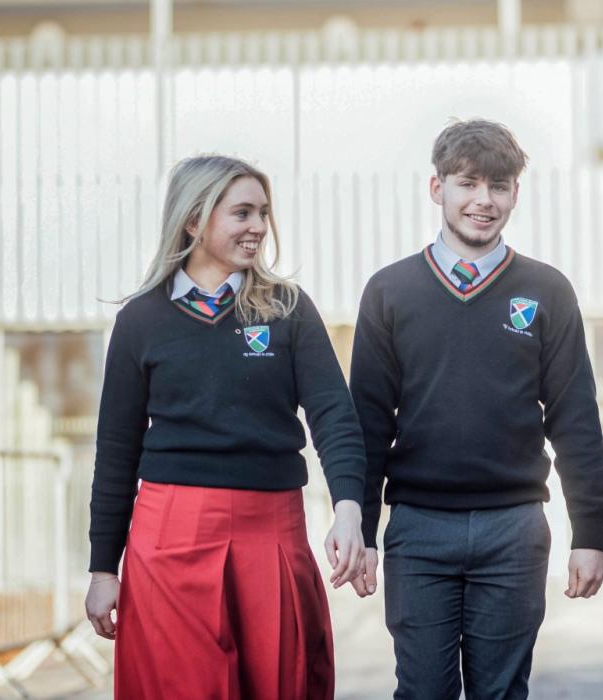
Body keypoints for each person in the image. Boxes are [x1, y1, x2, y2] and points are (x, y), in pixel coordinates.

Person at [83, 155, 367, 699]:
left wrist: (348, 508)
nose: (258, 226)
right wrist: (102, 569)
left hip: (272, 534)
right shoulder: (141, 321)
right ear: (193, 220)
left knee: (278, 683)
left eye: (263, 213)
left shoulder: (288, 308)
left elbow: (334, 413)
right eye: (242, 213)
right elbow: (116, 450)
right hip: (169, 538)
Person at [348, 119, 603, 699]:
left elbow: (575, 419)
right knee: (422, 692)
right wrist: (363, 528)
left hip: (513, 529)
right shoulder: (390, 292)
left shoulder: (547, 291)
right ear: (436, 187)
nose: (483, 201)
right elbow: (367, 425)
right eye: (468, 183)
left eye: (498, 186)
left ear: (516, 193)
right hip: (418, 529)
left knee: (501, 693)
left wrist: (590, 533)